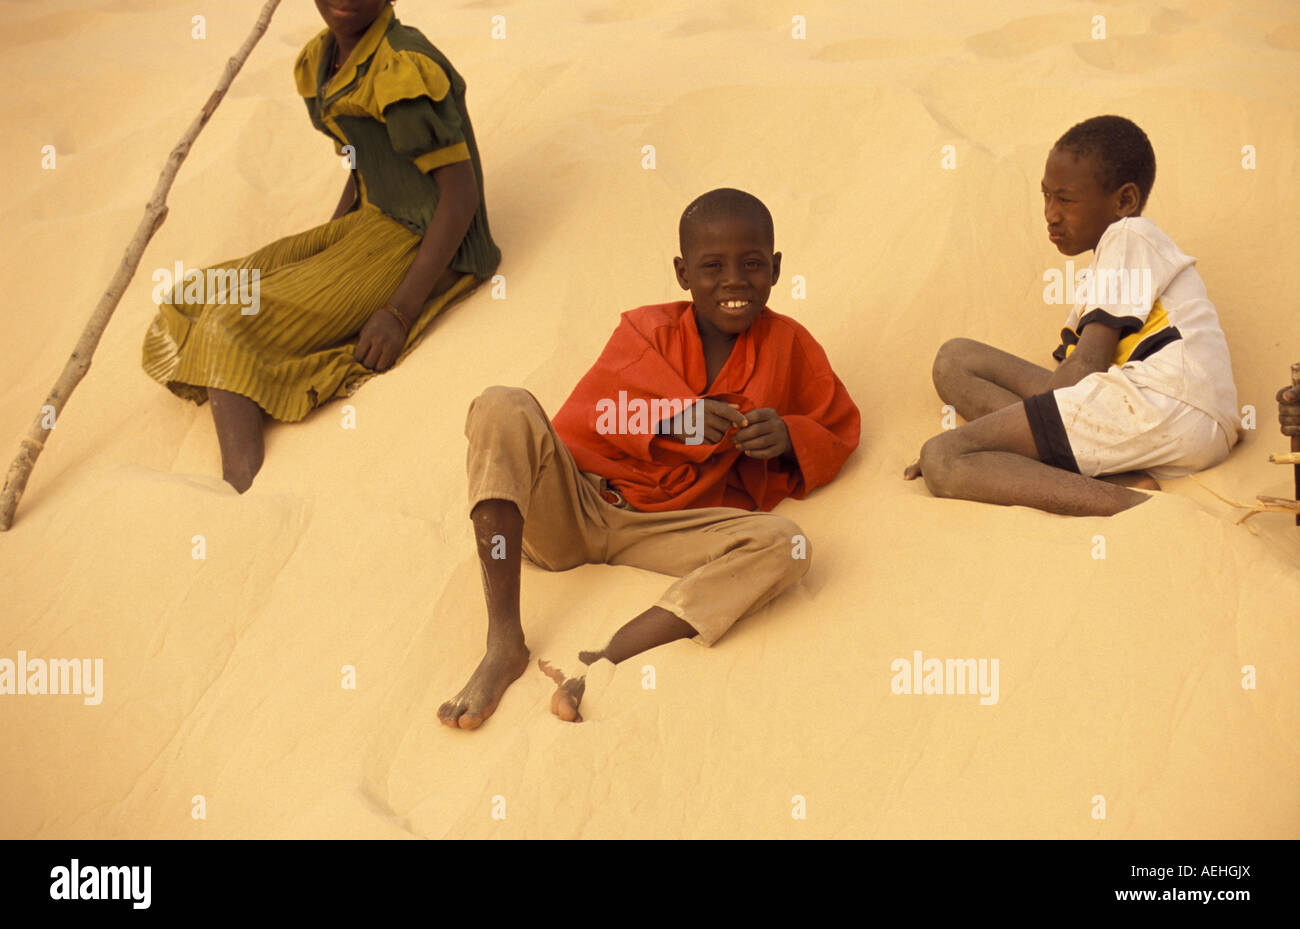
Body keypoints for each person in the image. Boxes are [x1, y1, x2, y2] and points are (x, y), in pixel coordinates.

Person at [438, 188, 860, 729]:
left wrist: (788, 436)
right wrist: (670, 421)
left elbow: (838, 427)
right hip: (580, 503)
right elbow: (592, 416)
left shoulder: (792, 345)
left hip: (667, 526)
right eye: (712, 266)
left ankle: (609, 654)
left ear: (776, 269)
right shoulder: (644, 329)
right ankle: (503, 642)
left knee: (788, 543)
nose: (734, 280)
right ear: (682, 273)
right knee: (502, 404)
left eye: (752, 264)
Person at [142, 0, 500, 492]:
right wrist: (323, 252)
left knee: (227, 325)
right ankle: (255, 376)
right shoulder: (322, 61)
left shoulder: (402, 66)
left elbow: (460, 196)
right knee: (192, 297)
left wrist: (398, 312)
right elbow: (362, 162)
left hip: (423, 241)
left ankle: (236, 491)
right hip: (364, 224)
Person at [905, 115, 1238, 516]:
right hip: (1168, 416)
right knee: (954, 359)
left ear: (1124, 201)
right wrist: (1008, 435)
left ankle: (1138, 508)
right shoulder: (1102, 271)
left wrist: (982, 442)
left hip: (1166, 403)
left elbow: (1082, 371)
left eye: (1065, 199)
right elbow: (1077, 387)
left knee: (944, 457)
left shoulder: (1129, 235)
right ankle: (1121, 478)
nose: (1050, 213)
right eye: (1045, 196)